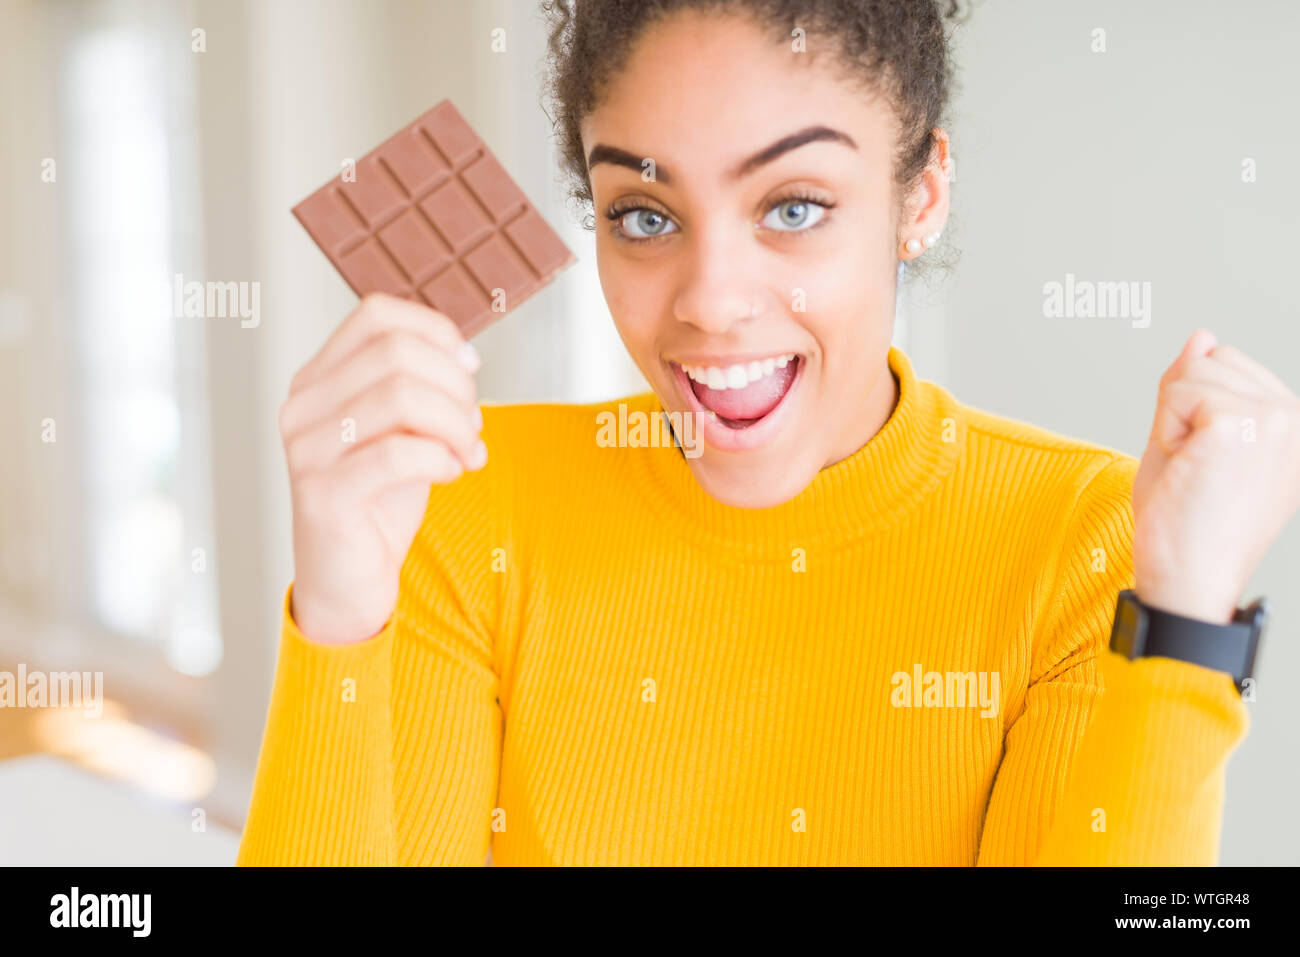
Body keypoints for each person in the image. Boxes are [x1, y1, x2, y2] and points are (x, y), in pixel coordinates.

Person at [236, 0, 1300, 865]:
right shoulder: (464, 504)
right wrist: (337, 616)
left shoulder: (1083, 538)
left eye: (792, 205)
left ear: (919, 195)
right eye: (644, 216)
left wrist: (1184, 623)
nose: (709, 301)